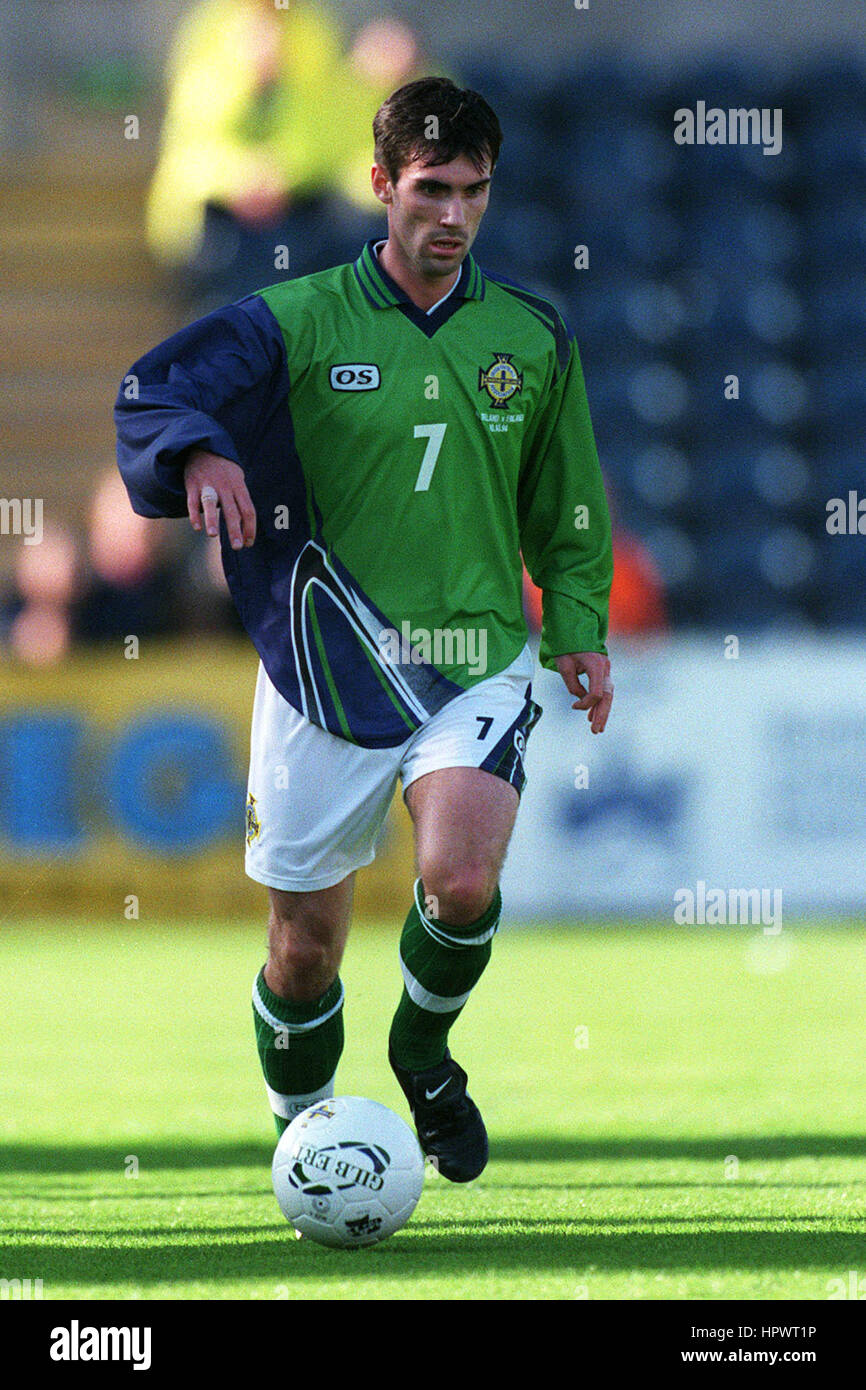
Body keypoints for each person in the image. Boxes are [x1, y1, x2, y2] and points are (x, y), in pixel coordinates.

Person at [115, 77, 614, 1184]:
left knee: (461, 878)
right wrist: (197, 451)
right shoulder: (294, 317)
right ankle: (305, 1133)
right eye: (429, 189)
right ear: (380, 183)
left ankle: (422, 1052)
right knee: (302, 950)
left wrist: (577, 624)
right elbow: (152, 391)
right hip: (324, 668)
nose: (451, 214)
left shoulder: (528, 335)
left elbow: (567, 503)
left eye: (472, 193)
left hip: (471, 658)